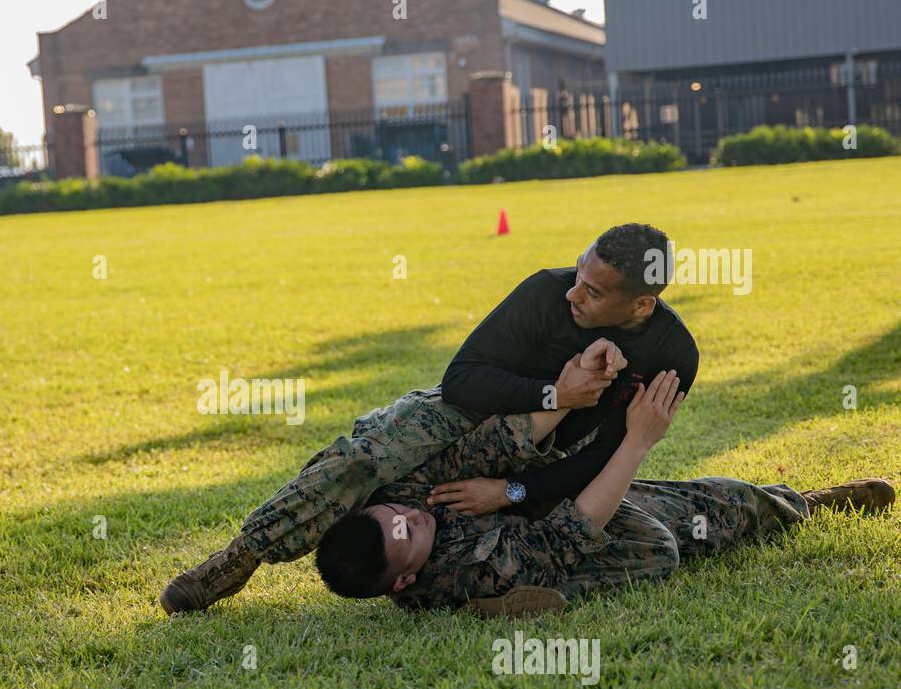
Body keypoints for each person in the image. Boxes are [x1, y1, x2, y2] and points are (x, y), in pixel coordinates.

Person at [161, 223, 698, 614]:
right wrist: (555, 391)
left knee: (652, 547)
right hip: (460, 417)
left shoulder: (673, 356)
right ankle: (240, 557)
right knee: (365, 458)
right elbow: (463, 378)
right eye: (578, 275)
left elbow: (600, 458)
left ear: (641, 305)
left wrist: (511, 491)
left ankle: (480, 595)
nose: (571, 293)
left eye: (593, 291)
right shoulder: (543, 295)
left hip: (546, 457)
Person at [314, 370, 894, 612]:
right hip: (594, 546)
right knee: (697, 522)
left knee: (710, 498)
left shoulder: (398, 507)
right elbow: (574, 532)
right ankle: (803, 506)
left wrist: (569, 394)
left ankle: (794, 501)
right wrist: (637, 440)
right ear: (406, 578)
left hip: (540, 507)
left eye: (399, 513)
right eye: (410, 533)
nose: (414, 516)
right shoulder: (467, 569)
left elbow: (487, 447)